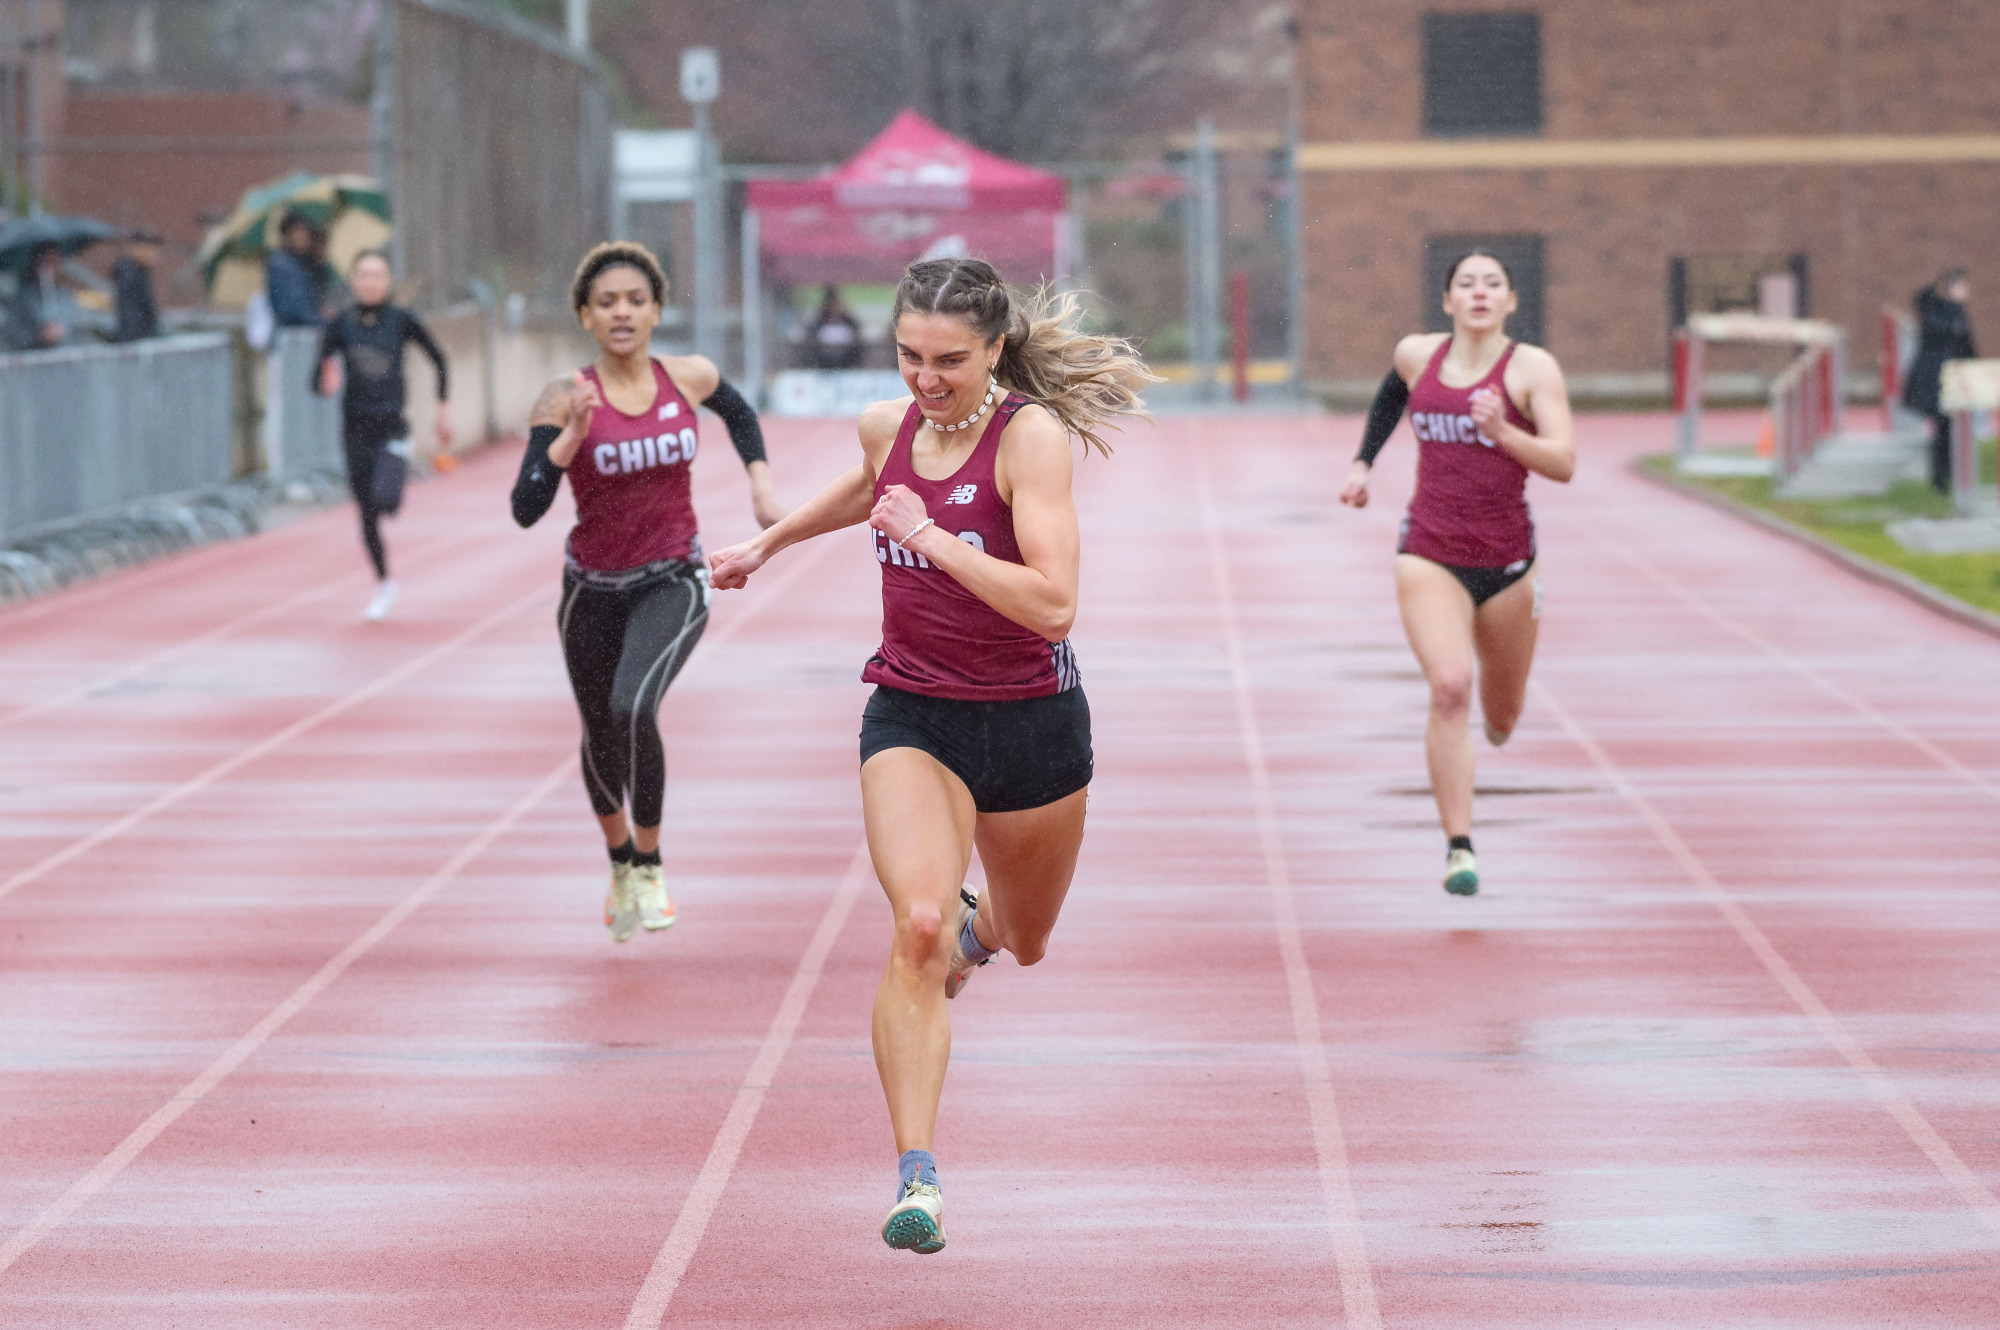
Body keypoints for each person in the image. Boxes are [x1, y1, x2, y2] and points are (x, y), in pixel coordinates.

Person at [708, 256, 1153, 1255]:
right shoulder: (889, 425)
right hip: (913, 712)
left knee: (1024, 937)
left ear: (994, 349)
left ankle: (977, 937)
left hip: (1034, 723)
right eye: (908, 355)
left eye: (947, 359)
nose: (924, 377)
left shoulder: (1027, 439)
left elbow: (1053, 602)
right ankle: (918, 1176)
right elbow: (865, 488)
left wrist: (936, 541)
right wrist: (766, 545)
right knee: (913, 922)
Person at [511, 241, 784, 944]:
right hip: (591, 589)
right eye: (607, 303)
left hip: (672, 577)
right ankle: (620, 864)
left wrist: (760, 484)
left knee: (634, 704)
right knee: (598, 726)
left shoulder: (686, 377)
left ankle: (652, 860)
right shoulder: (562, 396)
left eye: (635, 300)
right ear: (585, 317)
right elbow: (524, 506)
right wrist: (568, 438)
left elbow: (741, 412)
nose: (622, 312)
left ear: (657, 310)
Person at [1338, 251, 1575, 897]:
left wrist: (1502, 431)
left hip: (1507, 563)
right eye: (1466, 283)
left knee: (1501, 714)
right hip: (1429, 551)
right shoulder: (1419, 355)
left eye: (1492, 283)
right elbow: (1393, 391)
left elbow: (1562, 462)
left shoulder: (1531, 369)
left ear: (1510, 301)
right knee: (1449, 686)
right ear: (1447, 301)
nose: (1478, 292)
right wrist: (1363, 464)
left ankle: (1500, 722)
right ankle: (1460, 847)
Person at [314, 250, 452, 621]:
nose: (370, 282)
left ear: (388, 281)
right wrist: (323, 381)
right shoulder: (341, 323)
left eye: (377, 275)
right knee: (367, 514)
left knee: (386, 498)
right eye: (364, 275)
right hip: (354, 428)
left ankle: (394, 484)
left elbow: (439, 358)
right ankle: (384, 582)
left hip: (391, 427)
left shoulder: (401, 320)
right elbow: (318, 373)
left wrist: (442, 406)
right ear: (354, 281)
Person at [1901, 268, 1975, 495]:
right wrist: (1952, 301)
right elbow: (1941, 331)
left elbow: (1967, 345)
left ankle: (1949, 478)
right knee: (1942, 430)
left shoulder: (1956, 311)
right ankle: (1940, 480)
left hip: (1953, 377)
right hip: (1935, 379)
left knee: (1950, 431)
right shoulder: (1933, 307)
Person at [4, 242, 75, 351]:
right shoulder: (23, 297)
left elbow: (78, 330)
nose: (50, 267)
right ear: (36, 263)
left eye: (54, 261)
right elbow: (13, 334)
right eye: (46, 262)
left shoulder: (65, 295)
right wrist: (38, 336)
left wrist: (62, 332)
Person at [266, 212, 326, 329]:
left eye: (306, 232)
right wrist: (320, 318)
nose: (304, 236)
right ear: (287, 234)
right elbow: (295, 306)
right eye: (299, 231)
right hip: (294, 332)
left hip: (299, 328)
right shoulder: (282, 264)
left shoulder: (299, 261)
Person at [111, 230, 163, 343]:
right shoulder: (129, 274)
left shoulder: (140, 272)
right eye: (150, 247)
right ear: (136, 248)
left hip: (141, 342)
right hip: (136, 344)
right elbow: (130, 315)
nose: (155, 253)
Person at [809, 284, 864, 369]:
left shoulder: (848, 321)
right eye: (832, 306)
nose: (835, 309)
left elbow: (857, 334)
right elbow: (812, 338)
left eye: (837, 306)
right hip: (824, 360)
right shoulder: (820, 321)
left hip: (845, 359)